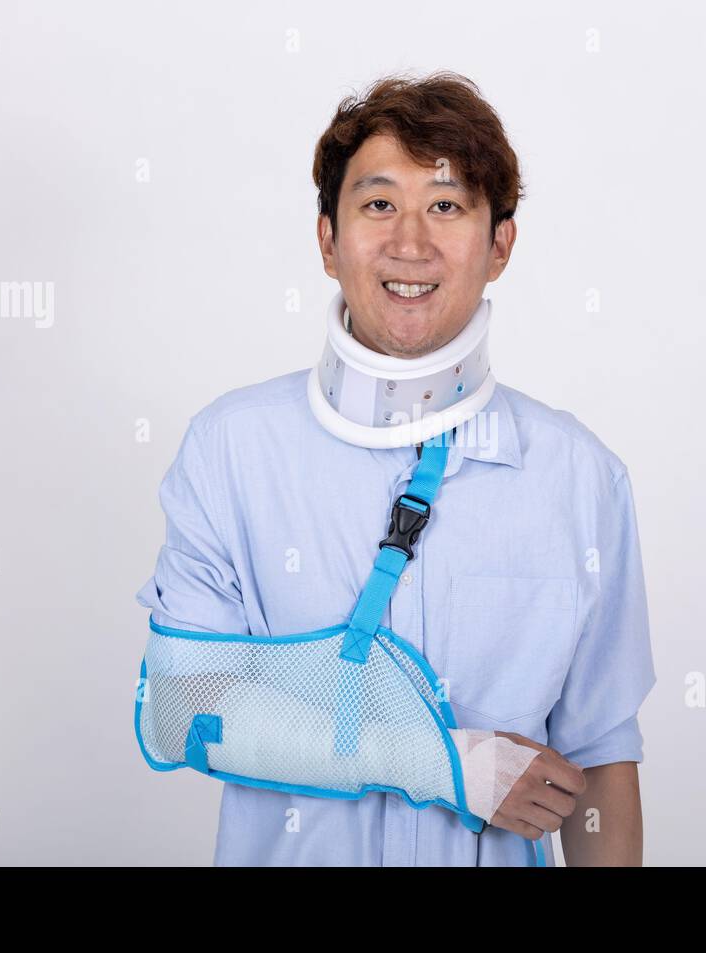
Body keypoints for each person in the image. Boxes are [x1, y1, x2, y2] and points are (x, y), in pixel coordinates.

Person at [136, 71, 656, 866]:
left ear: (500, 245)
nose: (410, 243)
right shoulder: (232, 452)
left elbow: (599, 756)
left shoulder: (579, 480)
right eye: (379, 204)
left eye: (446, 207)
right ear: (326, 239)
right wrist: (443, 765)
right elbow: (183, 707)